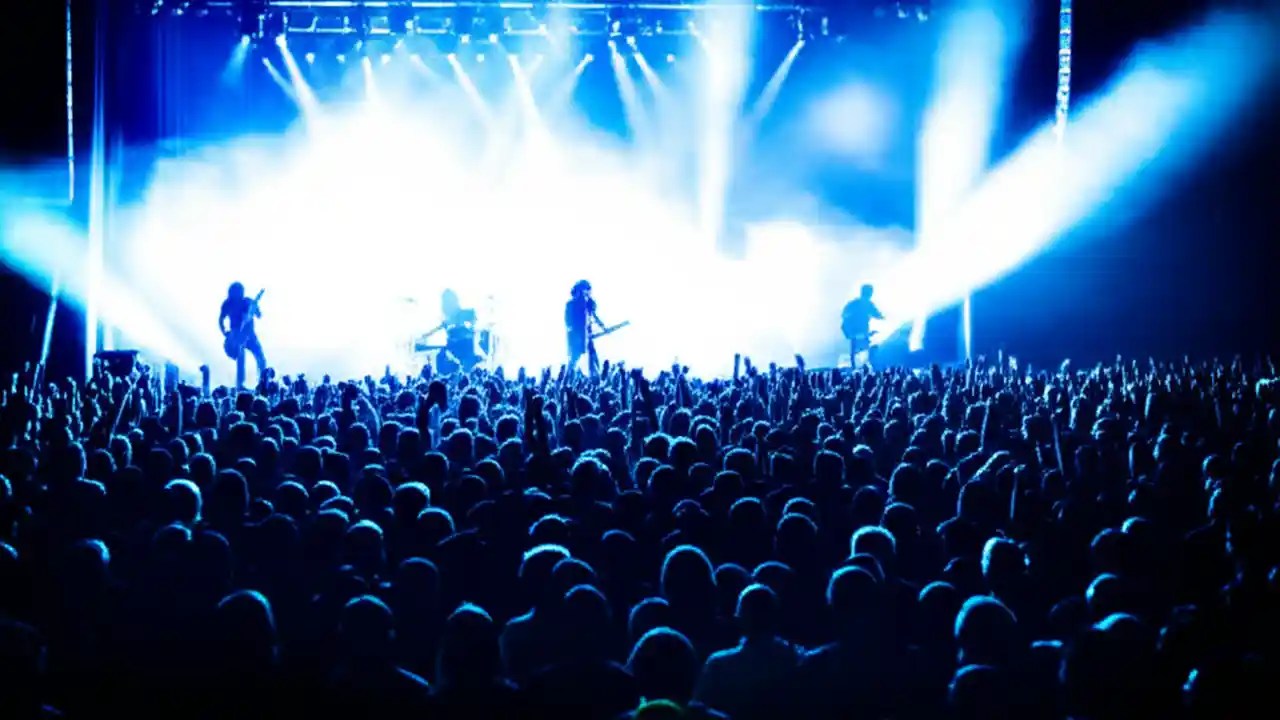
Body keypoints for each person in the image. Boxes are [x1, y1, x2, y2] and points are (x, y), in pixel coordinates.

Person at [219, 281, 266, 389]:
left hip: (250, 335)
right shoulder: (227, 303)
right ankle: (240, 385)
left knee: (261, 358)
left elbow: (259, 315)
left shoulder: (247, 301)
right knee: (241, 359)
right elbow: (221, 319)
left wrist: (255, 309)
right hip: (236, 336)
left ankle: (263, 382)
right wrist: (225, 332)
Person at [841, 284, 883, 369]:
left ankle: (856, 369)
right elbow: (878, 315)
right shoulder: (867, 304)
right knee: (863, 353)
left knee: (856, 353)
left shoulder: (853, 303)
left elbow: (844, 314)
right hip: (861, 332)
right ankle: (860, 370)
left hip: (855, 333)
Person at [565, 280, 602, 377]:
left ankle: (595, 377)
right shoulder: (571, 304)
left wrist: (602, 327)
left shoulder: (588, 303)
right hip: (576, 335)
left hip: (586, 335)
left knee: (593, 357)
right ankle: (569, 377)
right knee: (575, 357)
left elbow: (594, 316)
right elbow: (568, 322)